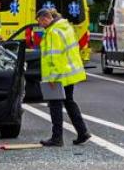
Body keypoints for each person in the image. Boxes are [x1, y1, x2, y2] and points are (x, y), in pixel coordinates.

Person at [36, 8, 90, 147]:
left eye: (40, 22)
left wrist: (53, 78)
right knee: (69, 102)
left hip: (58, 75)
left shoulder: (53, 32)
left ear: (45, 18)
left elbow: (55, 56)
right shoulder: (66, 27)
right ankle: (82, 132)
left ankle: (57, 138)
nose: (40, 26)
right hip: (69, 73)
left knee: (55, 105)